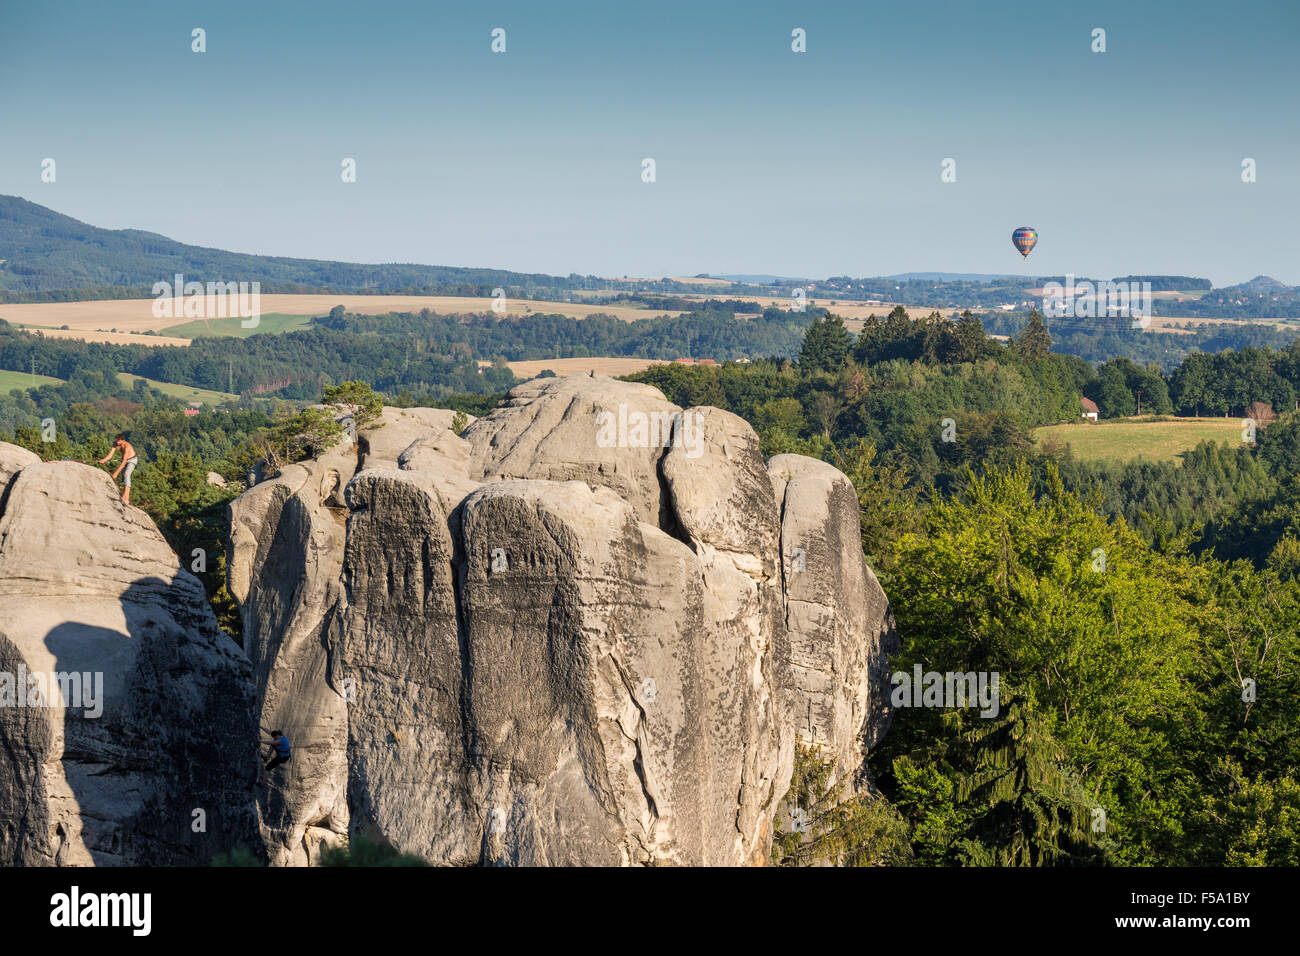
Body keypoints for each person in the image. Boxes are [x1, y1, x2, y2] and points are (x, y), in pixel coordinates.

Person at [97, 434, 137, 504]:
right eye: (116, 440)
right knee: (124, 477)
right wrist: (104, 460)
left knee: (126, 474)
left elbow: (124, 461)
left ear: (123, 440)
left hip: (132, 460)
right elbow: (110, 455)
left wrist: (116, 473)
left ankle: (125, 496)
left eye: (118, 441)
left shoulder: (127, 446)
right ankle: (126, 497)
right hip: (124, 460)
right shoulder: (115, 444)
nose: (117, 442)